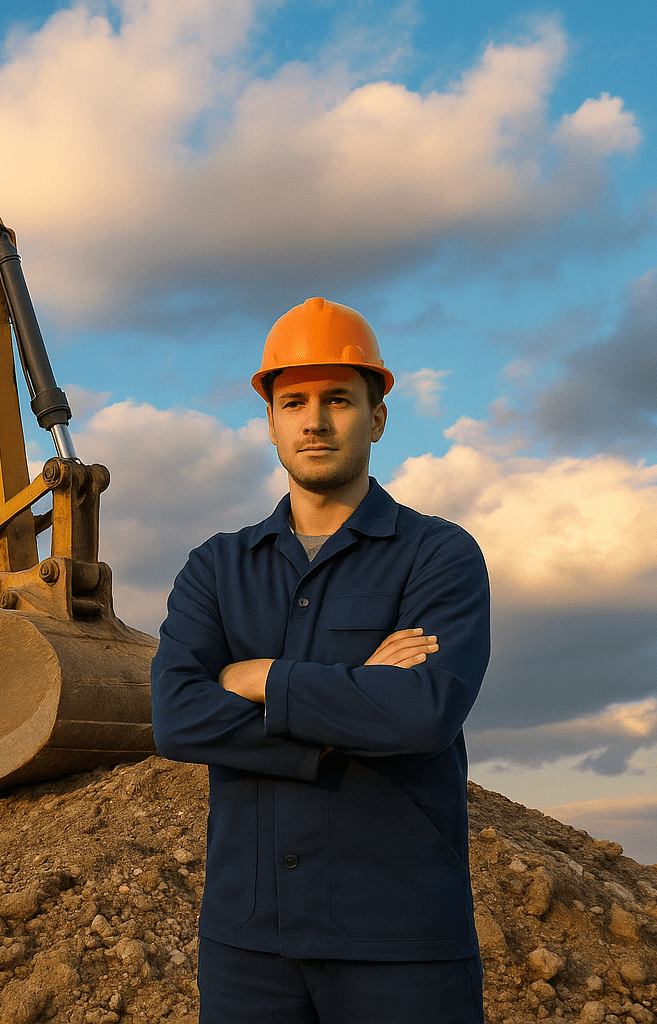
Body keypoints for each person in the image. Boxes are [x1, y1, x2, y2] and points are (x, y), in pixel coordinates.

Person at [151, 297, 491, 1024]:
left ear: (376, 417)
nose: (315, 420)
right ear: (271, 419)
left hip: (403, 948)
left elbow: (424, 711)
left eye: (339, 399)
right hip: (249, 952)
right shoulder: (215, 568)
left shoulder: (440, 555)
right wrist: (356, 697)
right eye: (295, 401)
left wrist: (263, 679)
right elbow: (178, 719)